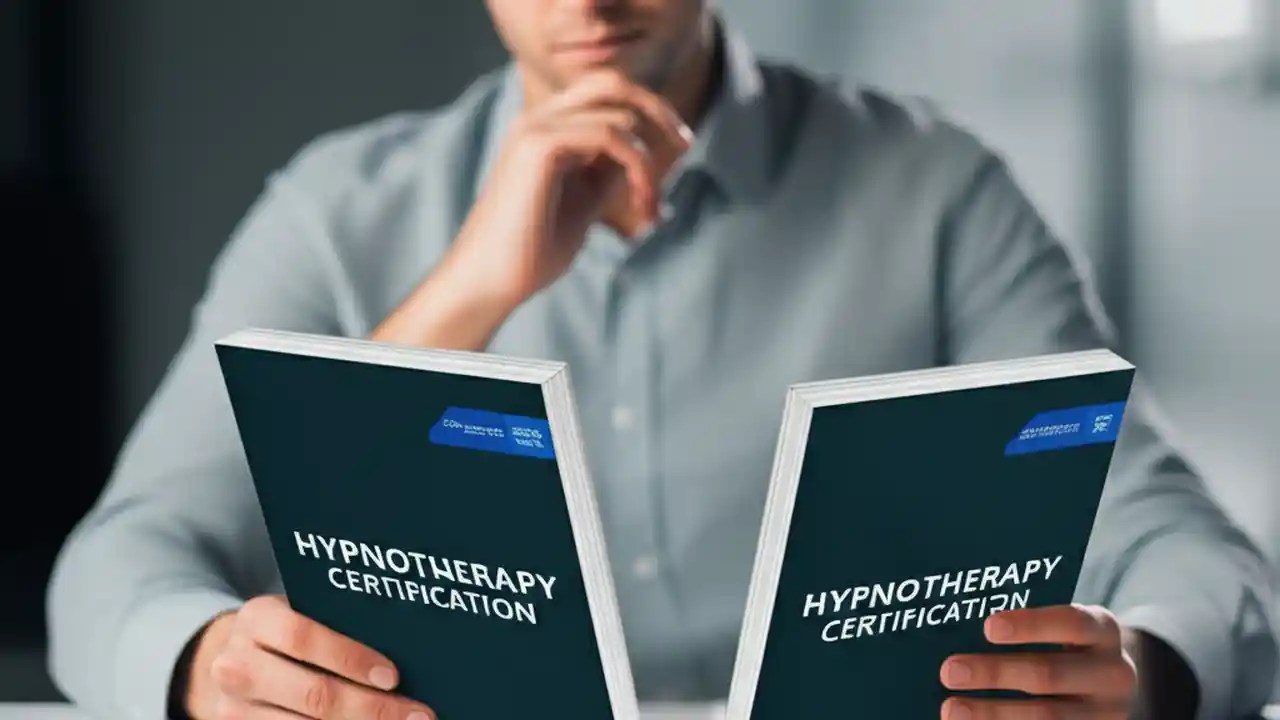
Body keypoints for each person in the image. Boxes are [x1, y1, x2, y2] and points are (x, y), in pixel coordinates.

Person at [46, 1, 1277, 719]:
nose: (585, 0)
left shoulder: (936, 193)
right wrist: (471, 291)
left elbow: (1187, 550)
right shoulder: (332, 209)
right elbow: (120, 561)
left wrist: (1143, 673)